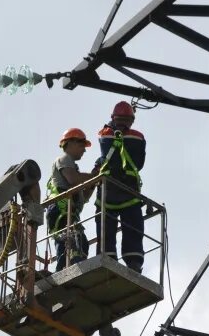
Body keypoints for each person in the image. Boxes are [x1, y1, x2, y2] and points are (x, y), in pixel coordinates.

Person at [95, 101, 146, 273]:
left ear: (113, 118)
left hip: (108, 189)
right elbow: (139, 164)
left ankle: (107, 258)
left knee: (105, 226)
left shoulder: (105, 133)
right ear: (131, 120)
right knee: (132, 226)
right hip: (129, 190)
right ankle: (134, 262)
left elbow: (106, 155)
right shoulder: (138, 137)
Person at [46, 128, 96, 271]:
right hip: (60, 209)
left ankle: (69, 269)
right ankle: (66, 270)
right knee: (70, 241)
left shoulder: (74, 168)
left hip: (68, 212)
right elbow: (73, 179)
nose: (84, 150)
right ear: (71, 143)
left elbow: (84, 198)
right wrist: (93, 177)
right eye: (81, 145)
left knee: (80, 243)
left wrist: (93, 183)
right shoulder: (64, 159)